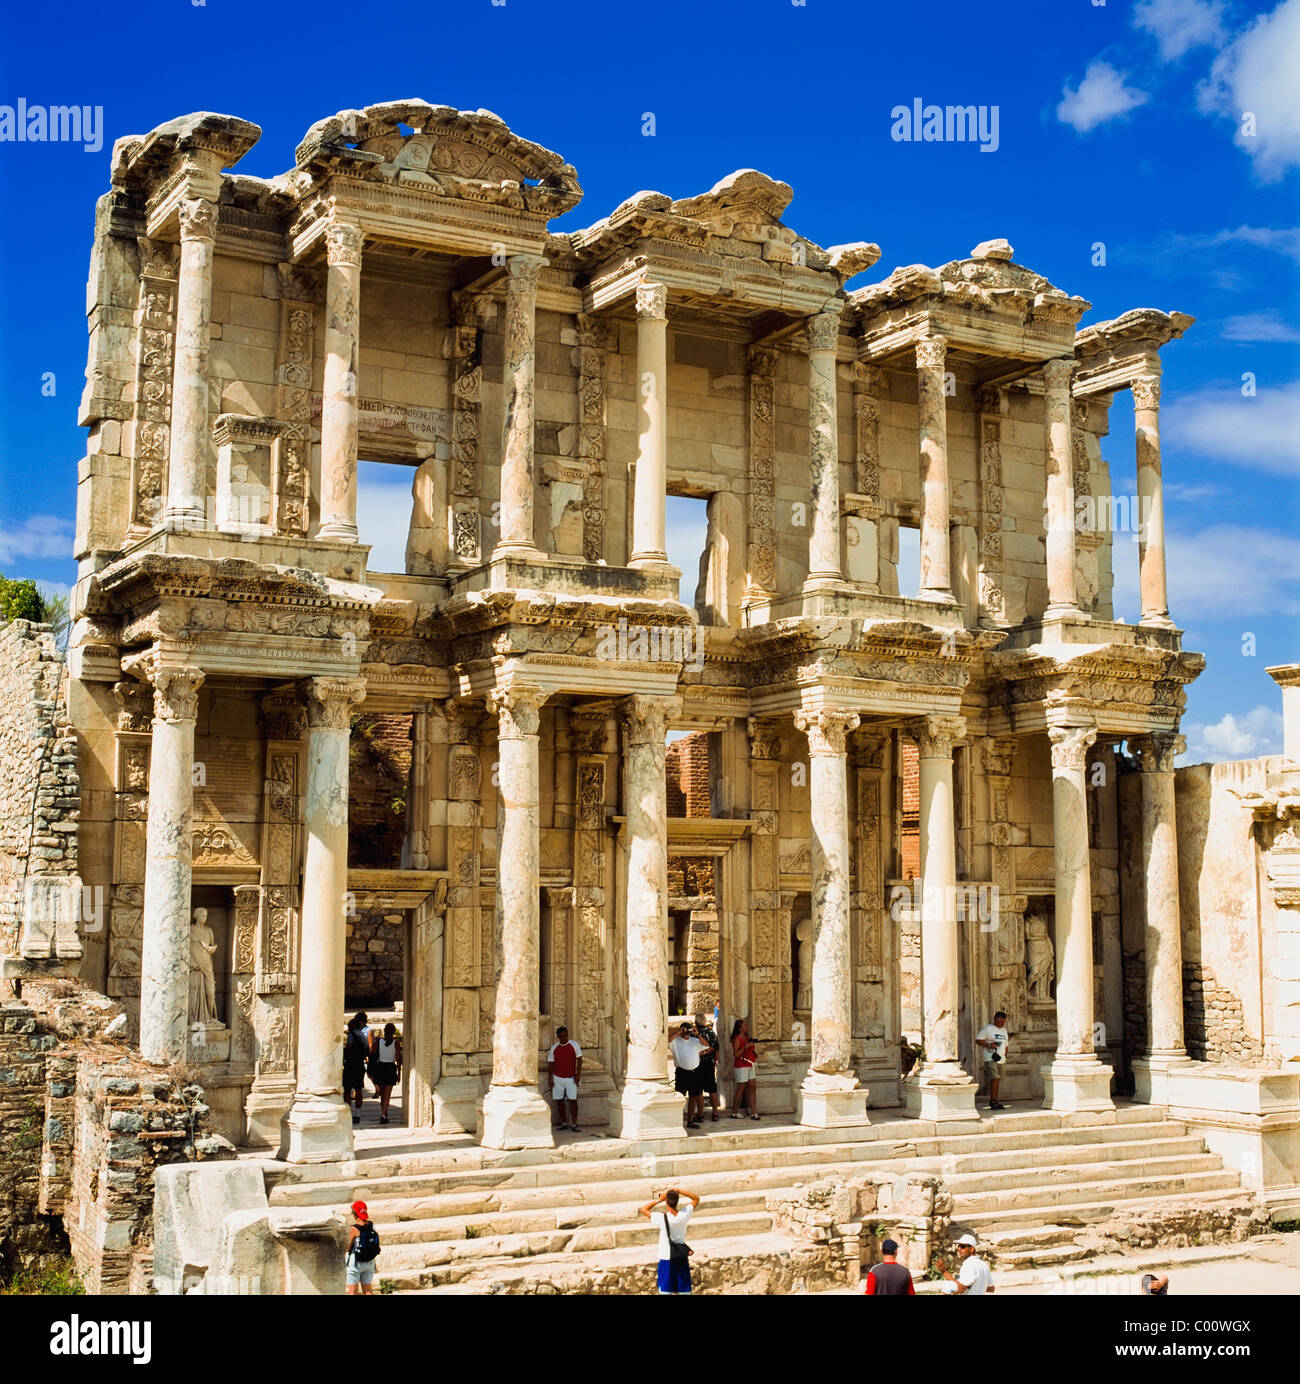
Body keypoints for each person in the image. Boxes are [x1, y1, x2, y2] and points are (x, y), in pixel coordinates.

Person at [638, 1186, 700, 1295]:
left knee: (666, 1291)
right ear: (677, 1201)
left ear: (666, 1201)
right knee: (684, 1290)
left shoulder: (661, 1218)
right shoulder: (684, 1215)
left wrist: (659, 1200)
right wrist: (680, 1191)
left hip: (666, 1257)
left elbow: (643, 1209)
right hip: (681, 1257)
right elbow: (696, 1199)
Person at [547, 1025, 583, 1132]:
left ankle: (575, 1123)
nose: (564, 1038)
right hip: (557, 1077)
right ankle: (563, 1122)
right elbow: (550, 1064)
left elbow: (579, 1060)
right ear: (558, 1037)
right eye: (561, 1036)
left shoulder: (574, 1045)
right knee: (560, 1100)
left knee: (573, 1100)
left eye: (565, 1035)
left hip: (570, 1077)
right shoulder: (554, 1048)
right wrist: (550, 1078)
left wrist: (578, 1074)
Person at [669, 1022, 705, 1128]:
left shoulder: (695, 1041)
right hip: (682, 1072)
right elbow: (668, 1039)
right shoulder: (676, 1041)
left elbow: (706, 1045)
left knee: (693, 1097)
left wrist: (697, 1034)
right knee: (680, 1096)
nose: (686, 1032)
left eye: (688, 1030)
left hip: (694, 1072)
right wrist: (679, 1032)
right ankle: (677, 1121)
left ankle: (690, 1121)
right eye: (685, 1030)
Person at [345, 1200, 381, 1295]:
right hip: (370, 1262)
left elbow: (348, 1247)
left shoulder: (354, 1228)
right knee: (368, 1291)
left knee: (353, 1291)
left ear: (354, 1214)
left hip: (356, 1262)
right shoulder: (372, 1225)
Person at [976, 1010, 1009, 1110]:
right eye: (1000, 1021)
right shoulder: (988, 1029)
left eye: (1003, 1021)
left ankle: (995, 1099)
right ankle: (993, 1101)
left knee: (997, 1079)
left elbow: (1006, 1044)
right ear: (995, 1019)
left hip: (1001, 1058)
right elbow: (978, 1040)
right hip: (990, 1057)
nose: (1002, 1023)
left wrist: (1005, 1055)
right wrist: (989, 1044)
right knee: (994, 1078)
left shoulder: (1004, 1031)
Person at [370, 1022, 402, 1124]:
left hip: (381, 1067)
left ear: (385, 1031)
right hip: (390, 1068)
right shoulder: (395, 1043)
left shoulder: (379, 1042)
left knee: (383, 1094)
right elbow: (398, 1060)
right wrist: (399, 1073)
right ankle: (384, 1114)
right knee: (387, 1094)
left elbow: (372, 1052)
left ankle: (384, 1113)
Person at [343, 1012, 370, 1123]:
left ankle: (348, 1113)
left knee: (347, 1089)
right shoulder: (363, 1035)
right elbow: (367, 1050)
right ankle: (357, 1114)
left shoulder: (351, 1035)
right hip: (360, 1065)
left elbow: (349, 1048)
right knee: (358, 1089)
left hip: (350, 1065)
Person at [693, 1012, 721, 1122]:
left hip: (697, 1064)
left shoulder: (694, 1033)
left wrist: (700, 1054)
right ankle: (715, 1113)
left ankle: (700, 1114)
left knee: (699, 1090)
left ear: (696, 1021)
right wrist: (715, 1061)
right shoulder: (711, 1032)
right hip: (709, 1063)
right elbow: (716, 1048)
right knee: (712, 1089)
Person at [731, 1017, 760, 1120]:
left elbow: (751, 1049)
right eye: (744, 1025)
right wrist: (746, 1047)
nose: (746, 1027)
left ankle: (754, 1112)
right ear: (739, 1028)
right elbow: (736, 1054)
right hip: (741, 1065)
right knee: (741, 1088)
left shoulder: (747, 1036)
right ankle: (734, 1112)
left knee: (752, 1087)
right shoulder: (737, 1039)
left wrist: (754, 1054)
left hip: (750, 1064)